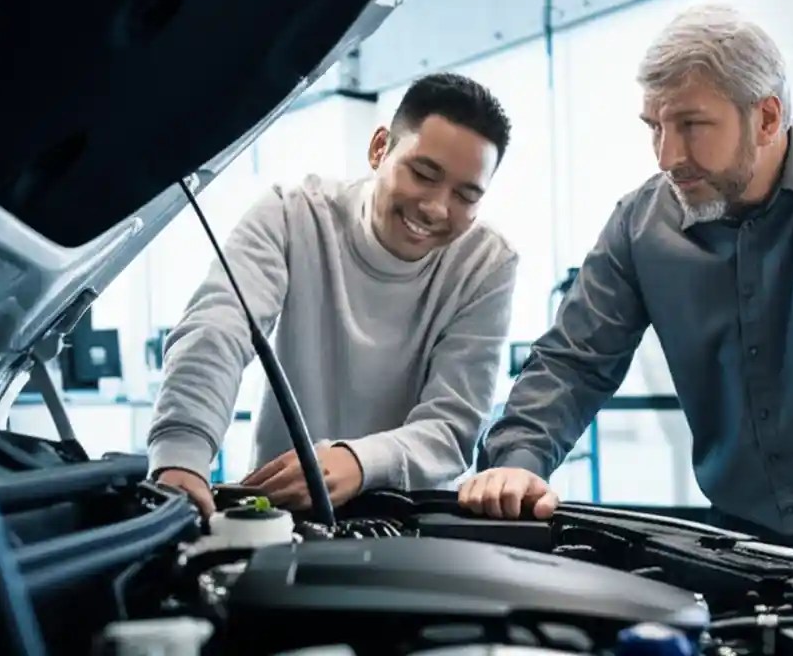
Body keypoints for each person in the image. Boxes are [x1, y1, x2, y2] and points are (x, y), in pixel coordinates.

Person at [458, 3, 793, 596]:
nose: (666, 156)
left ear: (766, 117)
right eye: (653, 127)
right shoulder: (639, 225)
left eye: (691, 125)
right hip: (743, 546)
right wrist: (517, 460)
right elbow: (574, 359)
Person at [148, 72, 519, 519]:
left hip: (410, 517)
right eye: (423, 174)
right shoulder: (290, 214)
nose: (437, 208)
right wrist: (182, 452)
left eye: (466, 195)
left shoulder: (488, 263)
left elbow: (452, 425)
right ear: (380, 148)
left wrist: (358, 462)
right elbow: (218, 329)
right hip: (279, 512)